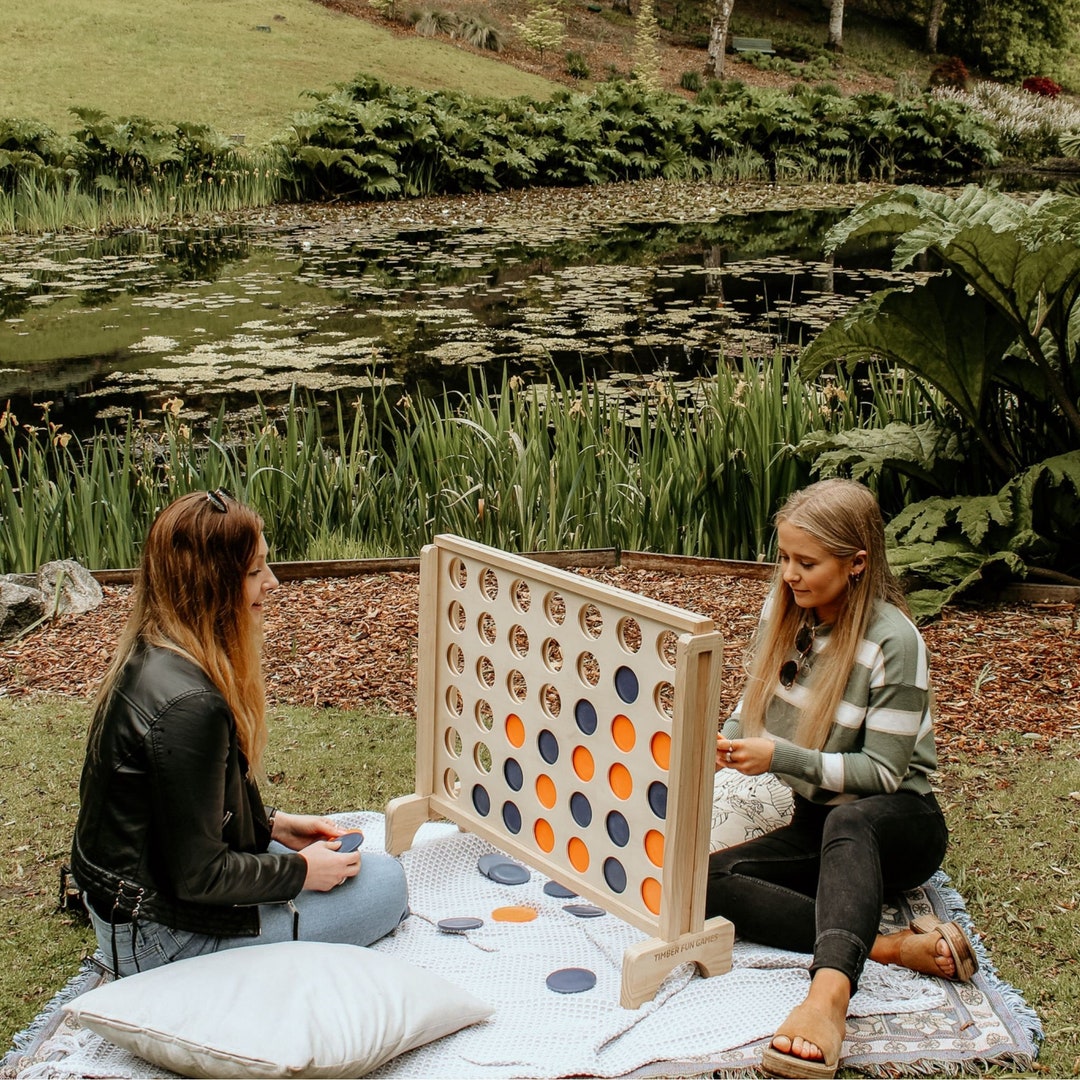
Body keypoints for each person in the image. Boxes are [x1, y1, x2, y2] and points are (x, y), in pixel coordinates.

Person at [71, 489, 408, 978]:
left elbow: (180, 817)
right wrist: (299, 871)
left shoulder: (154, 654)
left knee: (354, 866)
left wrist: (273, 826)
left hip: (143, 909)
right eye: (254, 573)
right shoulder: (191, 707)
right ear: (208, 585)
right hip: (163, 940)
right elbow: (200, 875)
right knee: (387, 883)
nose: (271, 582)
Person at [706, 478, 978, 1080]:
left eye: (807, 562)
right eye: (783, 558)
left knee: (851, 819)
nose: (789, 576)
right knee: (706, 881)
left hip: (893, 824)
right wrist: (721, 742)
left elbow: (882, 775)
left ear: (857, 563)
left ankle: (827, 999)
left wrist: (780, 757)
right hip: (817, 819)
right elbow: (753, 706)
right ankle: (885, 946)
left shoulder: (893, 639)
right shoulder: (783, 614)